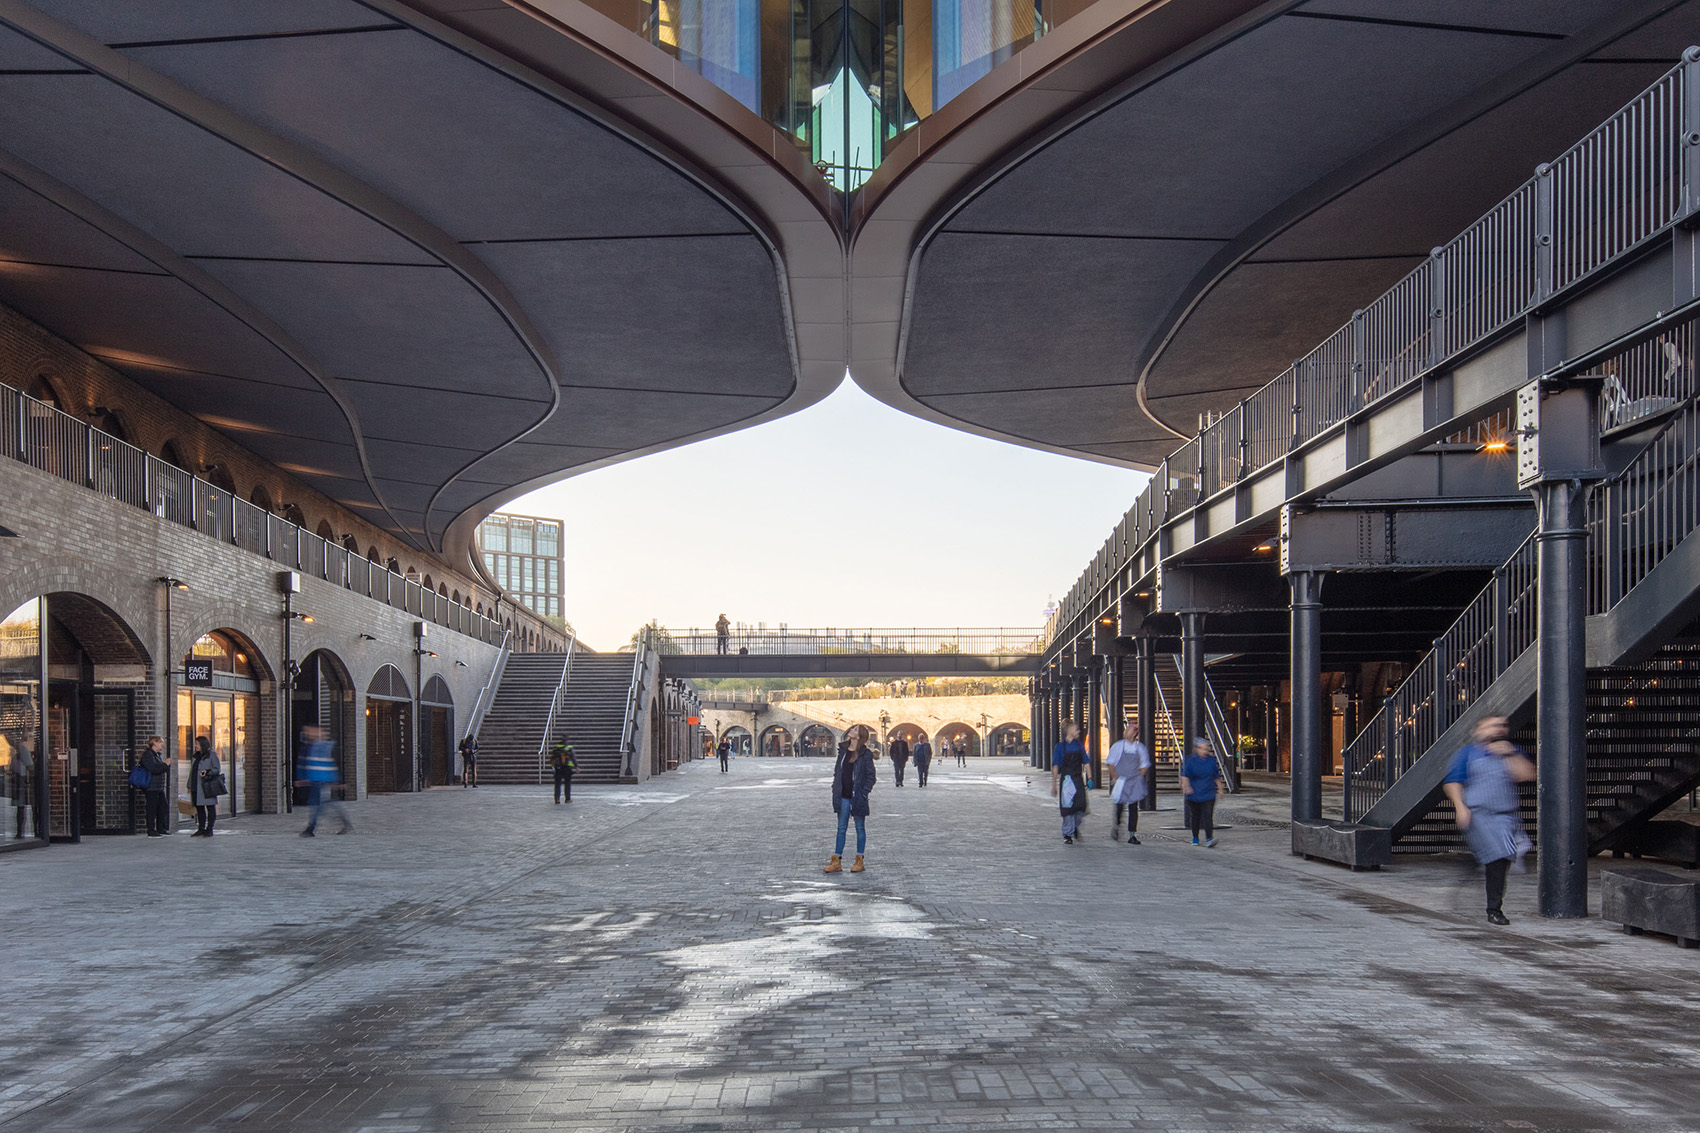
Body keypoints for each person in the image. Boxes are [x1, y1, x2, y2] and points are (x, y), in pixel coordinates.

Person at [1442, 715, 1535, 925]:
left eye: (1501, 725)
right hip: (1479, 815)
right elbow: (1453, 782)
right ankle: (1494, 910)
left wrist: (1509, 754)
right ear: (1479, 729)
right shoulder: (1467, 754)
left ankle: (1474, 863)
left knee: (1499, 861)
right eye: (1492, 725)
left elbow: (1527, 774)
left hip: (1505, 817)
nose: (1497, 729)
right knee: (1497, 859)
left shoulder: (1512, 751)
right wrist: (1460, 806)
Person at [826, 724, 876, 873]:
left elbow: (871, 776)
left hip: (857, 797)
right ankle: (836, 861)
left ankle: (859, 860)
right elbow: (838, 771)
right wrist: (835, 787)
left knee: (860, 828)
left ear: (859, 736)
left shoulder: (865, 754)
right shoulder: (842, 751)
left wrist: (863, 792)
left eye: (855, 730)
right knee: (841, 828)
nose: (851, 731)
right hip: (843, 795)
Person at [297, 725, 352, 837]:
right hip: (320, 779)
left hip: (319, 779)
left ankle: (310, 829)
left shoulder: (318, 748)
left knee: (317, 804)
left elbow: (318, 764)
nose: (306, 735)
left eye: (308, 733)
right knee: (326, 803)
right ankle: (345, 823)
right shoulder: (313, 747)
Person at [1105, 719, 1151, 845]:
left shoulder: (1140, 748)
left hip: (1134, 781)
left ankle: (1132, 834)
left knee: (1133, 807)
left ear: (1134, 733)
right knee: (1119, 806)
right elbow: (1110, 763)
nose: (1126, 731)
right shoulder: (1118, 746)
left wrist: (1139, 775)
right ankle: (1117, 824)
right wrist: (1115, 777)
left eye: (1129, 729)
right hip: (1121, 780)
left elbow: (1145, 764)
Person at [1180, 737, 1222, 847]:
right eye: (1202, 749)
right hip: (1194, 793)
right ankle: (1195, 837)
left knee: (1208, 815)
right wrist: (1187, 787)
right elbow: (1185, 776)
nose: (1205, 751)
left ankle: (1209, 837)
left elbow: (1216, 776)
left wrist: (1220, 789)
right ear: (1197, 749)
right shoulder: (1190, 761)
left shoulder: (1211, 760)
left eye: (1206, 748)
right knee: (1195, 816)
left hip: (1208, 792)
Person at [1051, 721, 1089, 844]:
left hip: (1078, 778)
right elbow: (1055, 766)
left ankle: (1074, 827)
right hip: (1066, 780)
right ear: (1070, 731)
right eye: (1076, 729)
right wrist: (1054, 785)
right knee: (1067, 808)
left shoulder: (1079, 745)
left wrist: (1090, 778)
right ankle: (1067, 834)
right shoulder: (1060, 747)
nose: (1079, 731)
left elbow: (1086, 762)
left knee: (1081, 806)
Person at [189, 734, 224, 838]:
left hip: (207, 786)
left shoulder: (212, 755)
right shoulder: (196, 756)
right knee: (199, 808)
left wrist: (208, 771)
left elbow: (217, 769)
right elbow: (193, 771)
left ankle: (210, 829)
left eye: (197, 744)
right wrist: (189, 785)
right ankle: (201, 828)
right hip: (196, 785)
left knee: (210, 807)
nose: (196, 746)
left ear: (203, 745)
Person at [138, 735, 171, 837]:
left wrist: (165, 765)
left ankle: (161, 828)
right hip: (151, 786)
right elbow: (154, 769)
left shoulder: (156, 755)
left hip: (158, 786)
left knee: (162, 807)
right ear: (154, 743)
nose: (163, 744)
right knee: (152, 808)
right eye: (161, 742)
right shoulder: (148, 755)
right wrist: (165, 764)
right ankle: (151, 830)